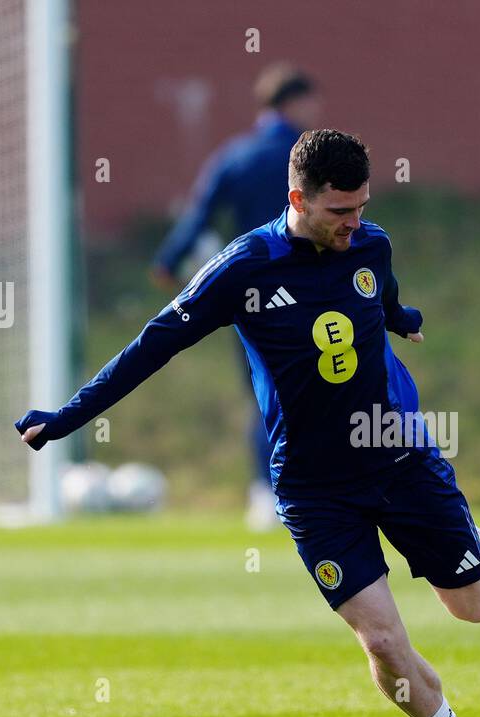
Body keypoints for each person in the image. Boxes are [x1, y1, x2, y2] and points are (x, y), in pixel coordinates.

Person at [16, 130, 480, 717]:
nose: (355, 225)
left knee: (473, 609)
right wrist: (66, 417)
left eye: (361, 208)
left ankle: (479, 548)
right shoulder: (245, 267)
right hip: (312, 486)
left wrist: (401, 316)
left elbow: (378, 296)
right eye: (339, 213)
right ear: (297, 198)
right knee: (382, 642)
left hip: (394, 452)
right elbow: (152, 346)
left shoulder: (370, 243)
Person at [151, 64, 322, 531]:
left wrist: (168, 263)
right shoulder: (309, 160)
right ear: (295, 103)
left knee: (265, 393)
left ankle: (264, 495)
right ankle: (319, 490)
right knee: (324, 389)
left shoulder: (235, 156)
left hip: (251, 295)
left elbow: (199, 214)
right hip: (312, 291)